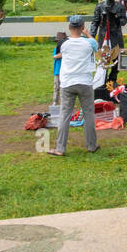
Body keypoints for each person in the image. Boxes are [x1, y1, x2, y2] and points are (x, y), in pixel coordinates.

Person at [50, 17, 99, 155]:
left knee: (64, 115)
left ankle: (60, 148)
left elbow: (58, 54)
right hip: (85, 82)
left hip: (67, 82)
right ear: (82, 27)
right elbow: (96, 46)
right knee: (89, 114)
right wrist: (88, 33)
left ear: (69, 27)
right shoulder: (89, 43)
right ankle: (91, 145)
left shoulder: (63, 44)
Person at [92, 0, 127, 92]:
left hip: (115, 35)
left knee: (117, 58)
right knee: (103, 58)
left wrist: (117, 18)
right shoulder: (99, 6)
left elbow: (124, 21)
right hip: (104, 35)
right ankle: (102, 80)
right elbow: (95, 22)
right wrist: (91, 35)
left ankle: (112, 79)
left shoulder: (120, 7)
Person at [51, 30, 67, 105]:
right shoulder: (56, 49)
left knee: (63, 87)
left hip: (65, 71)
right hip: (57, 71)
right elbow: (55, 56)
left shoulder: (67, 49)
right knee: (56, 86)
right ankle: (55, 101)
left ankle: (63, 102)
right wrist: (61, 54)